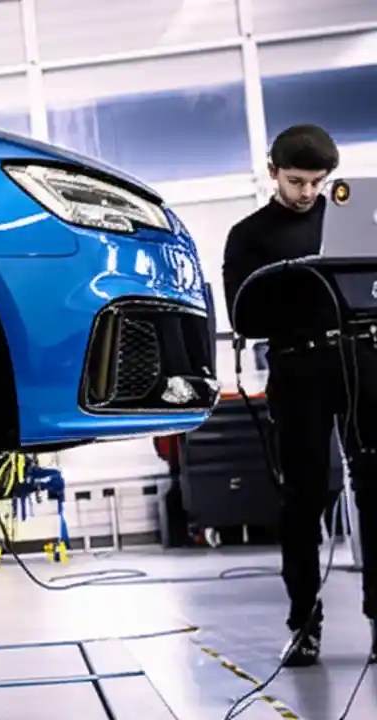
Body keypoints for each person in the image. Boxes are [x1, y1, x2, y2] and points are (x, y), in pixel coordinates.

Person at [223, 123, 377, 668]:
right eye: (296, 181)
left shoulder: (356, 224)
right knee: (303, 497)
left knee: (375, 490)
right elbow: (243, 313)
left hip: (360, 363)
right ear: (273, 173)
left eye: (317, 181)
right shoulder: (249, 236)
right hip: (297, 368)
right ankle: (304, 624)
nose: (307, 192)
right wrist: (298, 282)